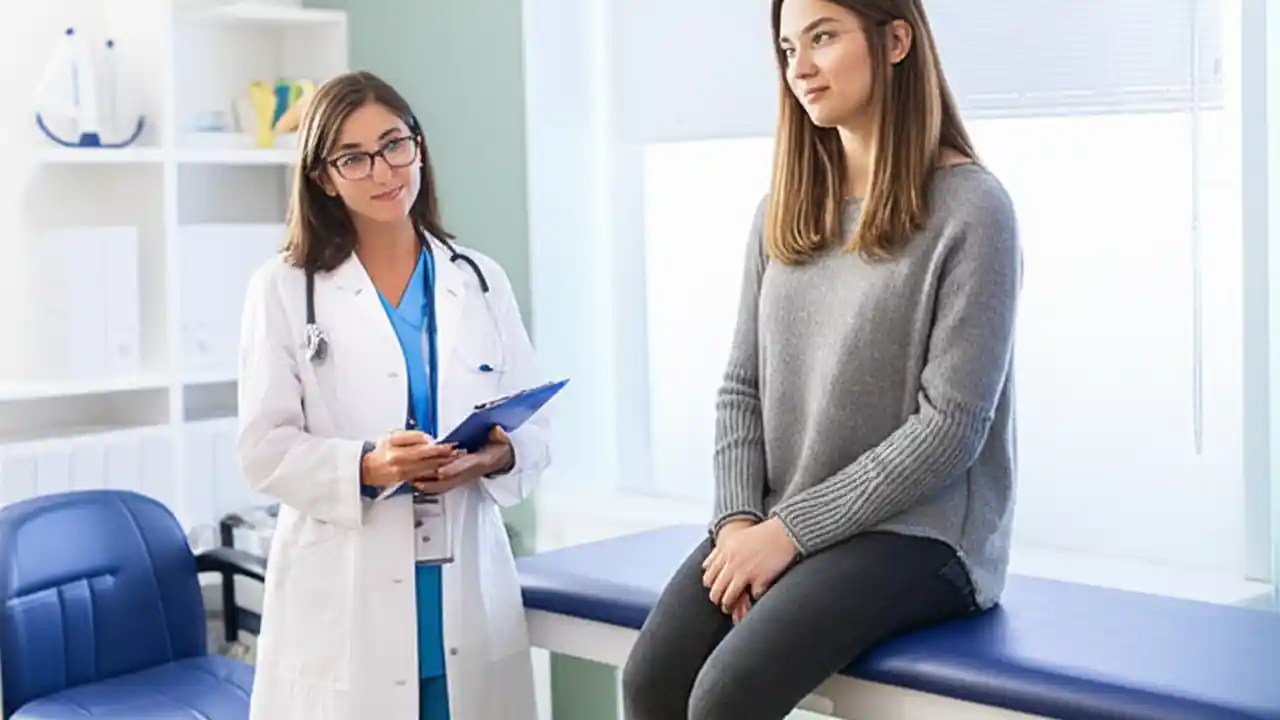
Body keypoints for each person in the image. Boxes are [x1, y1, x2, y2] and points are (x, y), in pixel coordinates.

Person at [621, 0, 1020, 718]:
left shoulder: (972, 210)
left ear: (896, 39)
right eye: (786, 46)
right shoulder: (784, 207)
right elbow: (741, 388)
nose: (798, 67)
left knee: (726, 697)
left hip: (917, 536)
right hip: (780, 520)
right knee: (652, 679)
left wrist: (788, 533)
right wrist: (738, 522)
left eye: (823, 38)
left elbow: (949, 430)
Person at [237, 71, 547, 720]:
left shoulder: (480, 279)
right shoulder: (284, 289)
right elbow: (263, 450)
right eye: (353, 157)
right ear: (323, 176)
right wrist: (365, 467)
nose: (383, 170)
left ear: (419, 147)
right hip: (347, 607)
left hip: (463, 592)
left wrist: (492, 457)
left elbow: (536, 433)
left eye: (394, 144)